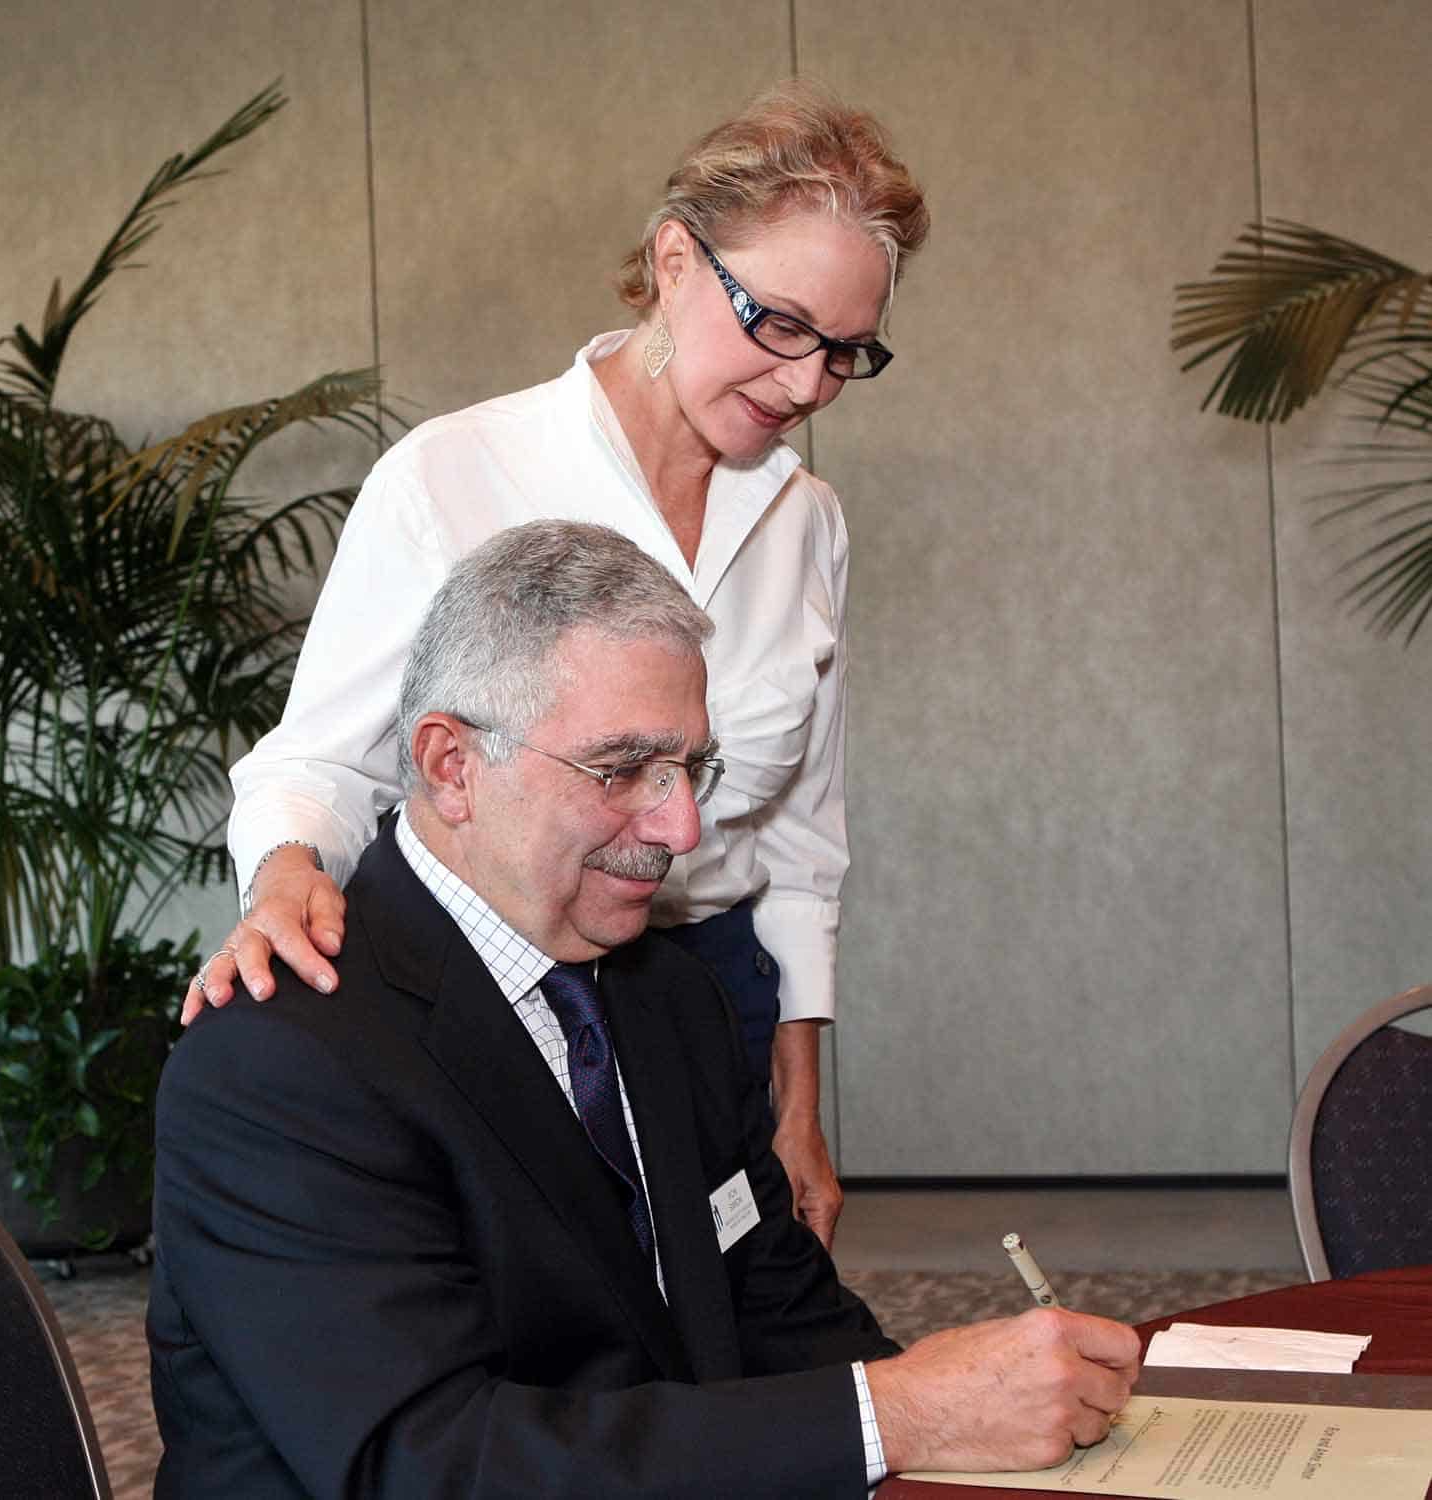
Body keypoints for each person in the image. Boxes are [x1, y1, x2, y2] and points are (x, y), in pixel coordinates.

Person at [150, 522, 1141, 1498]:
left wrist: (961, 1432)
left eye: (690, 769)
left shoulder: (668, 997)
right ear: (453, 767)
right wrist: (901, 1414)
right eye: (622, 770)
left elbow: (779, 1313)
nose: (681, 825)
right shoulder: (282, 1060)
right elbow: (426, 1462)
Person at [188, 79, 932, 1249]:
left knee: (734, 1335)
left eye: (846, 353)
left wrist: (800, 1108)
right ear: (676, 259)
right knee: (554, 1345)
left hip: (716, 994)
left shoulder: (807, 519)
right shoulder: (457, 474)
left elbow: (802, 848)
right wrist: (286, 884)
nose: (805, 385)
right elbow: (324, 764)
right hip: (507, 989)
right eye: (778, 325)